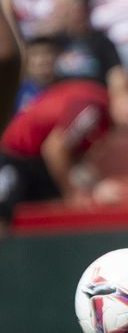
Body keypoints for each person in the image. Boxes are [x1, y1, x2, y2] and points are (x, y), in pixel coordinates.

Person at [0, 78, 112, 230]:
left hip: (38, 162)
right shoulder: (93, 104)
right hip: (16, 156)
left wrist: (95, 186)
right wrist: (71, 193)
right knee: (4, 217)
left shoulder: (97, 111)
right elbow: (54, 149)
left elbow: (73, 157)